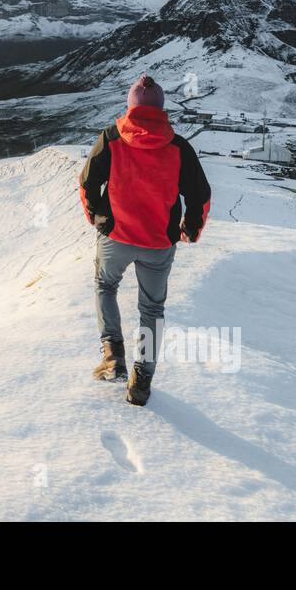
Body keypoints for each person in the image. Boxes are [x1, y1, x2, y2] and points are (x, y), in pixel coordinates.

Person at [77, 75, 211, 406]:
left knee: (105, 287)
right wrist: (189, 229)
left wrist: (97, 217)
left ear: (131, 107)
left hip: (117, 236)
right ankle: (142, 379)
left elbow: (87, 183)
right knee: (151, 308)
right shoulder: (178, 147)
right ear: (161, 109)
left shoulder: (111, 138)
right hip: (158, 242)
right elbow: (200, 196)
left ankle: (112, 355)